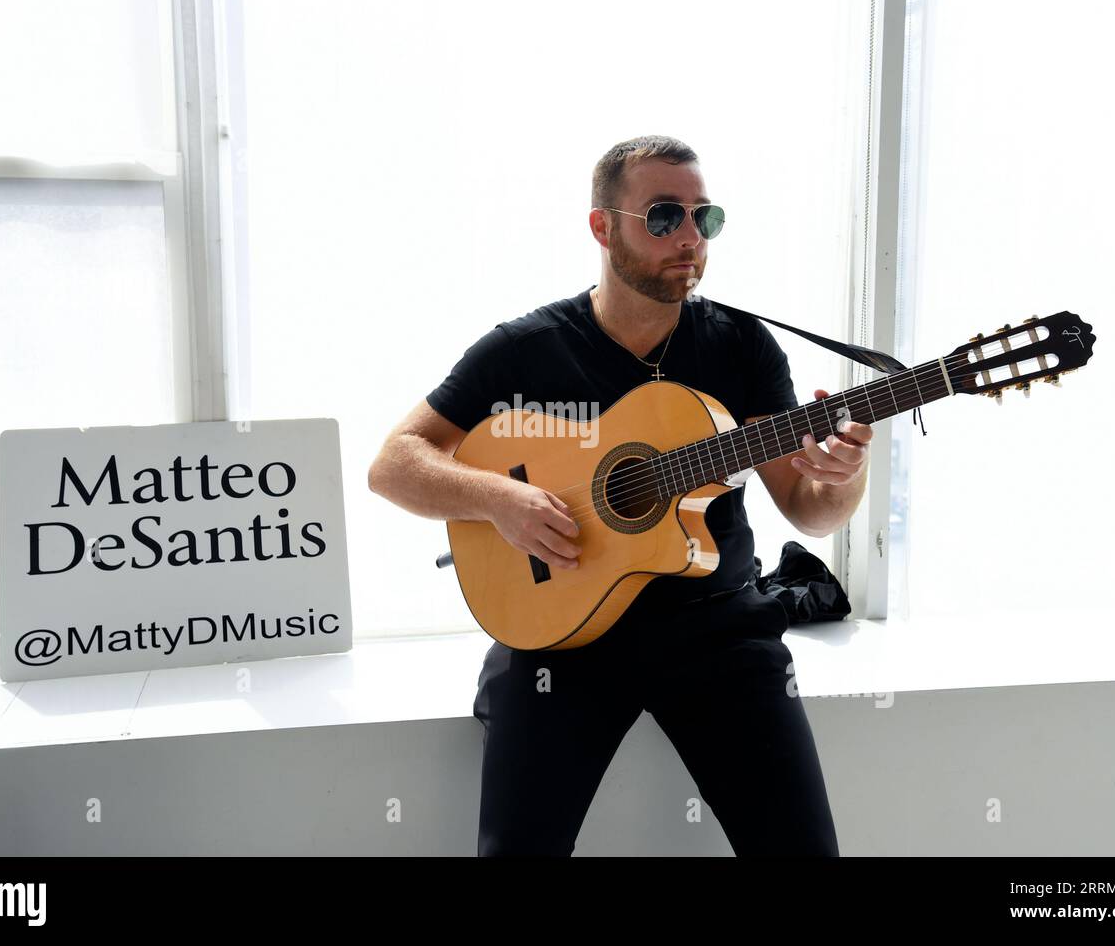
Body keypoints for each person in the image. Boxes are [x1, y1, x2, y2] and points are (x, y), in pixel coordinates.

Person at [367, 135, 872, 856]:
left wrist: (840, 476)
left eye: (707, 217)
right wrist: (499, 501)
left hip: (718, 628)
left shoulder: (740, 347)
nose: (691, 237)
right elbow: (395, 463)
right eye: (665, 216)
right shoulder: (525, 349)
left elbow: (808, 510)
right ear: (603, 226)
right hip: (562, 637)